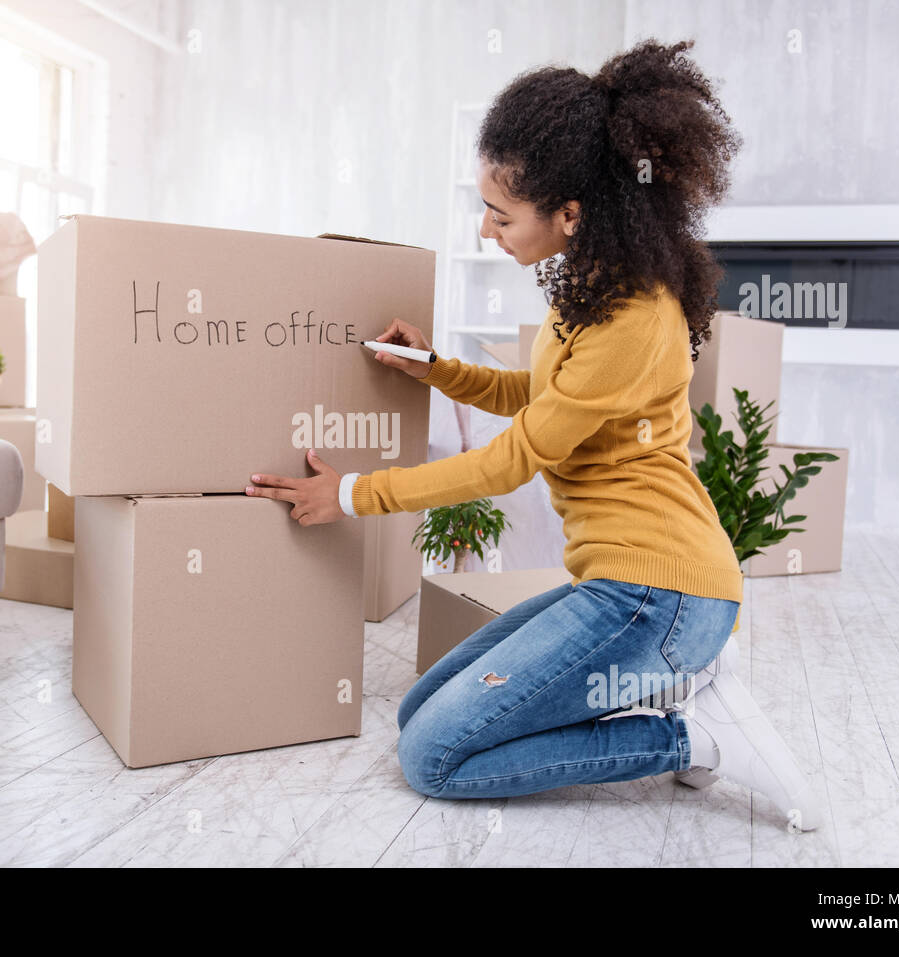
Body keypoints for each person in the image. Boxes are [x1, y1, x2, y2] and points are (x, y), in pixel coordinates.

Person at [246, 39, 821, 832]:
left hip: (660, 596)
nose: (486, 229)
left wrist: (350, 492)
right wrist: (437, 369)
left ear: (569, 213)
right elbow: (539, 398)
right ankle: (661, 690)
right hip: (621, 590)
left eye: (500, 213)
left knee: (433, 758)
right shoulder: (588, 285)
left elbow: (515, 456)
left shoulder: (635, 316)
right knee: (421, 712)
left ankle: (692, 735)